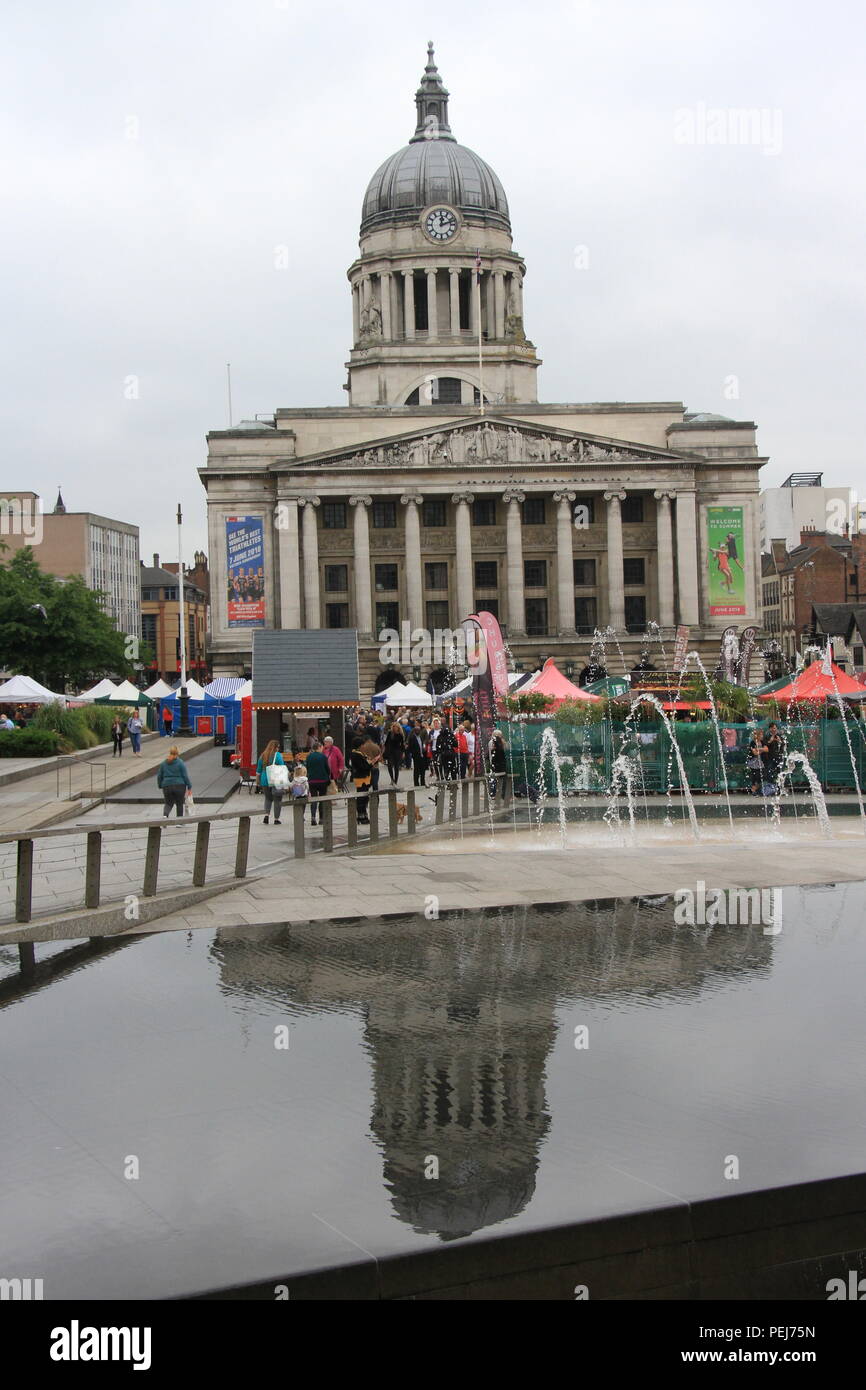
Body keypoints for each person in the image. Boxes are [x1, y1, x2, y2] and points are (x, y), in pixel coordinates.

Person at [256, 738, 286, 824]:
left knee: (268, 798)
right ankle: (276, 819)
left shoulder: (263, 755)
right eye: (278, 747)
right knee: (277, 799)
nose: (278, 749)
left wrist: (258, 780)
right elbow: (282, 767)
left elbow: (258, 770)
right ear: (275, 747)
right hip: (275, 779)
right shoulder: (278, 755)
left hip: (264, 779)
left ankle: (266, 815)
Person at [156, 745, 191, 817]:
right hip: (179, 786)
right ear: (177, 753)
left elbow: (159, 776)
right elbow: (185, 775)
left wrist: (160, 785)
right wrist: (189, 785)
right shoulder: (180, 762)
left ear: (170, 753)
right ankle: (179, 822)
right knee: (179, 803)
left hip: (166, 786)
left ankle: (165, 816)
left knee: (168, 803)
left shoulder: (164, 763)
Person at [305, 740, 331, 826]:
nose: (322, 749)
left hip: (312, 781)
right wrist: (328, 776)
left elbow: (307, 767)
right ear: (319, 747)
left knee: (314, 799)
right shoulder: (323, 757)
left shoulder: (309, 757)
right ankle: (321, 818)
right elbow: (327, 768)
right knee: (322, 799)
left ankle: (313, 817)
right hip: (322, 780)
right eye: (322, 747)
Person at [349, 735, 373, 824]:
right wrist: (370, 764)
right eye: (362, 745)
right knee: (361, 798)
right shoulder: (356, 754)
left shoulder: (359, 754)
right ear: (359, 745)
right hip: (361, 778)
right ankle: (361, 816)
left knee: (364, 797)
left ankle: (363, 815)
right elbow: (362, 767)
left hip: (364, 778)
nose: (364, 746)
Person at [383, 720, 406, 785]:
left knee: (396, 767)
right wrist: (384, 750)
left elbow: (402, 744)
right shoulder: (390, 733)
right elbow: (386, 742)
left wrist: (403, 752)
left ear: (398, 728)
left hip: (398, 751)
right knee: (389, 765)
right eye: (394, 727)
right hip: (390, 751)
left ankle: (396, 781)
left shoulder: (400, 734)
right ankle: (392, 779)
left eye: (396, 727)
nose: (395, 728)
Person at [747, 727, 767, 795]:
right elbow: (755, 753)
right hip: (753, 762)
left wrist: (759, 749)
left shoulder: (762, 742)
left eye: (762, 735)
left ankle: (755, 788)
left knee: (763, 775)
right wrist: (761, 750)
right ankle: (754, 789)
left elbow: (766, 749)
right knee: (754, 776)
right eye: (761, 735)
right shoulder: (753, 743)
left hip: (760, 761)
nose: (762, 736)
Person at [408, 721, 428, 787]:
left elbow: (422, 744)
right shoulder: (412, 738)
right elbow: (410, 747)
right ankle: (416, 783)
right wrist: (414, 754)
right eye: (416, 730)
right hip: (416, 756)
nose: (418, 731)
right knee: (416, 770)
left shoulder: (420, 737)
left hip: (422, 755)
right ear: (414, 731)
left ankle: (423, 782)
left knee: (423, 770)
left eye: (419, 730)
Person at [489, 729, 508, 796]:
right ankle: (495, 793)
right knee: (495, 778)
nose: (501, 736)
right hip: (497, 764)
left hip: (496, 763)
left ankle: (495, 793)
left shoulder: (499, 743)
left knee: (496, 778)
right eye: (500, 735)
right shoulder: (494, 743)